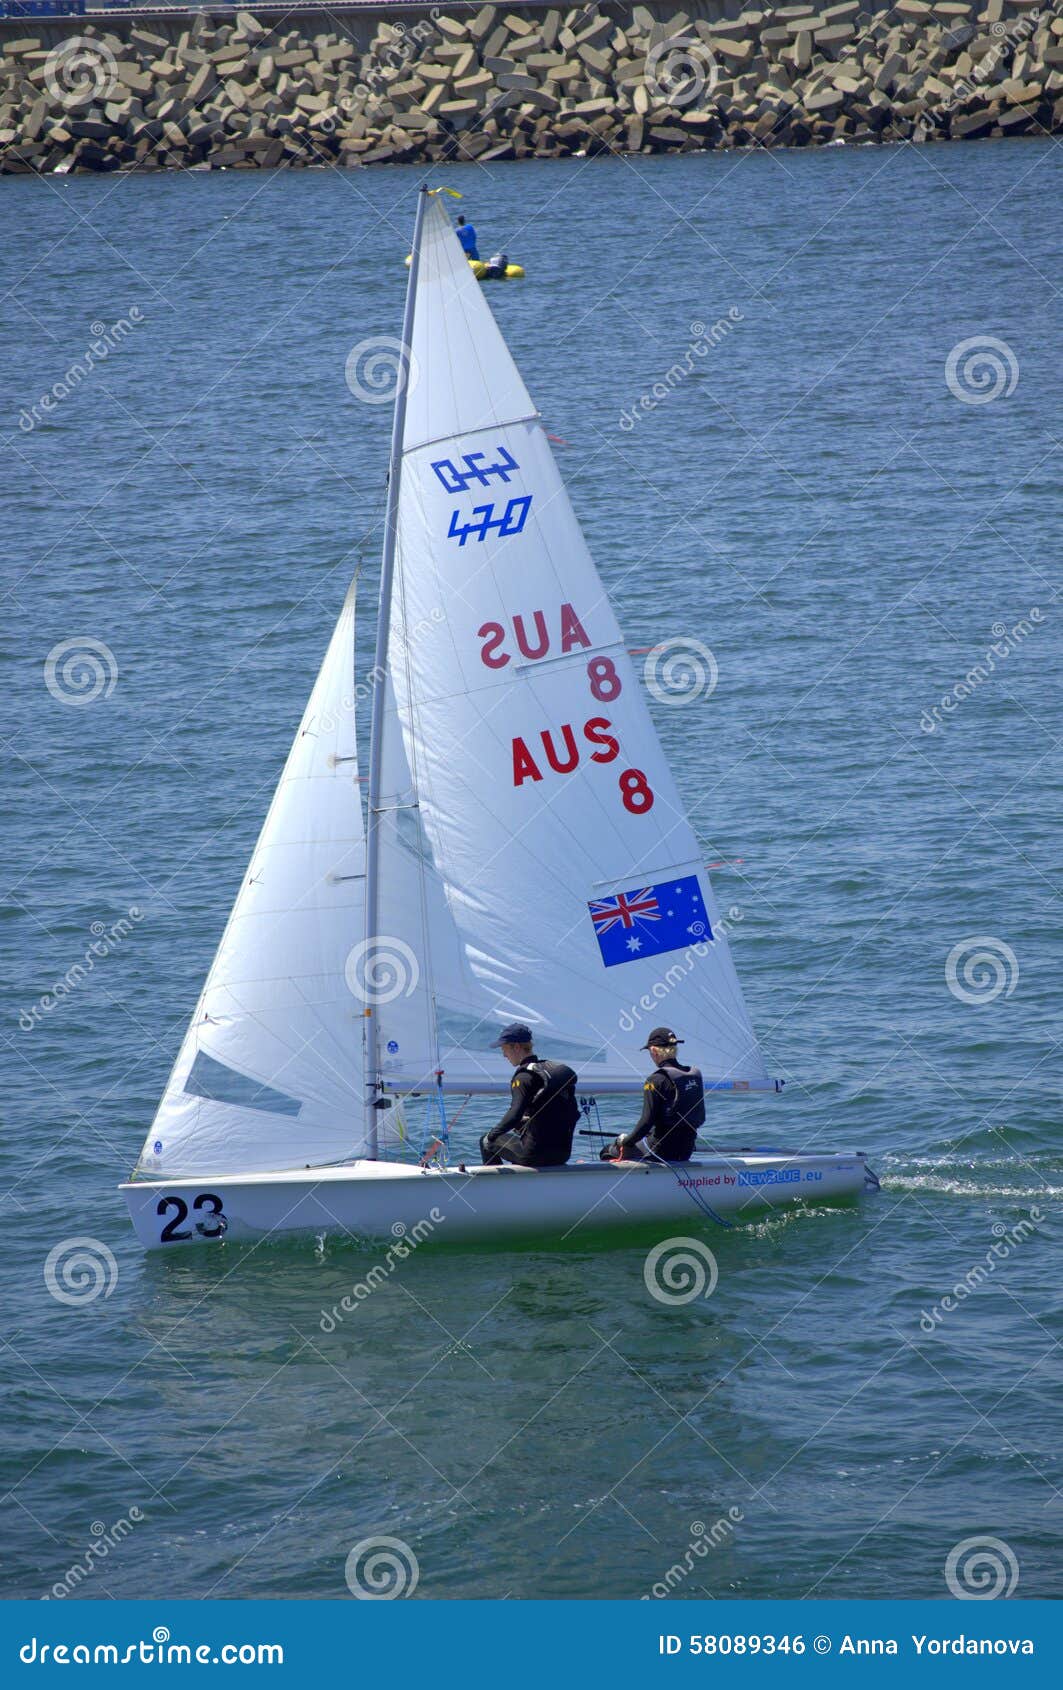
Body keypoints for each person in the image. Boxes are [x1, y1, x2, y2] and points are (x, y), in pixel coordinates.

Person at [480, 1022, 579, 1168]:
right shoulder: (549, 1073)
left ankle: (498, 1187)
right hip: (562, 1155)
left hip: (534, 1156)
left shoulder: (524, 1077)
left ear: (516, 1047)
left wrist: (492, 1135)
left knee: (486, 1141)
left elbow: (514, 1114)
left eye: (505, 1049)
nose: (504, 1055)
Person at [599, 1028, 704, 1164]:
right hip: (686, 1151)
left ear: (654, 1051)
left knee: (607, 1151)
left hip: (660, 1151)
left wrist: (625, 1141)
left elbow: (646, 1122)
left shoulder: (655, 1080)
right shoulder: (693, 1075)